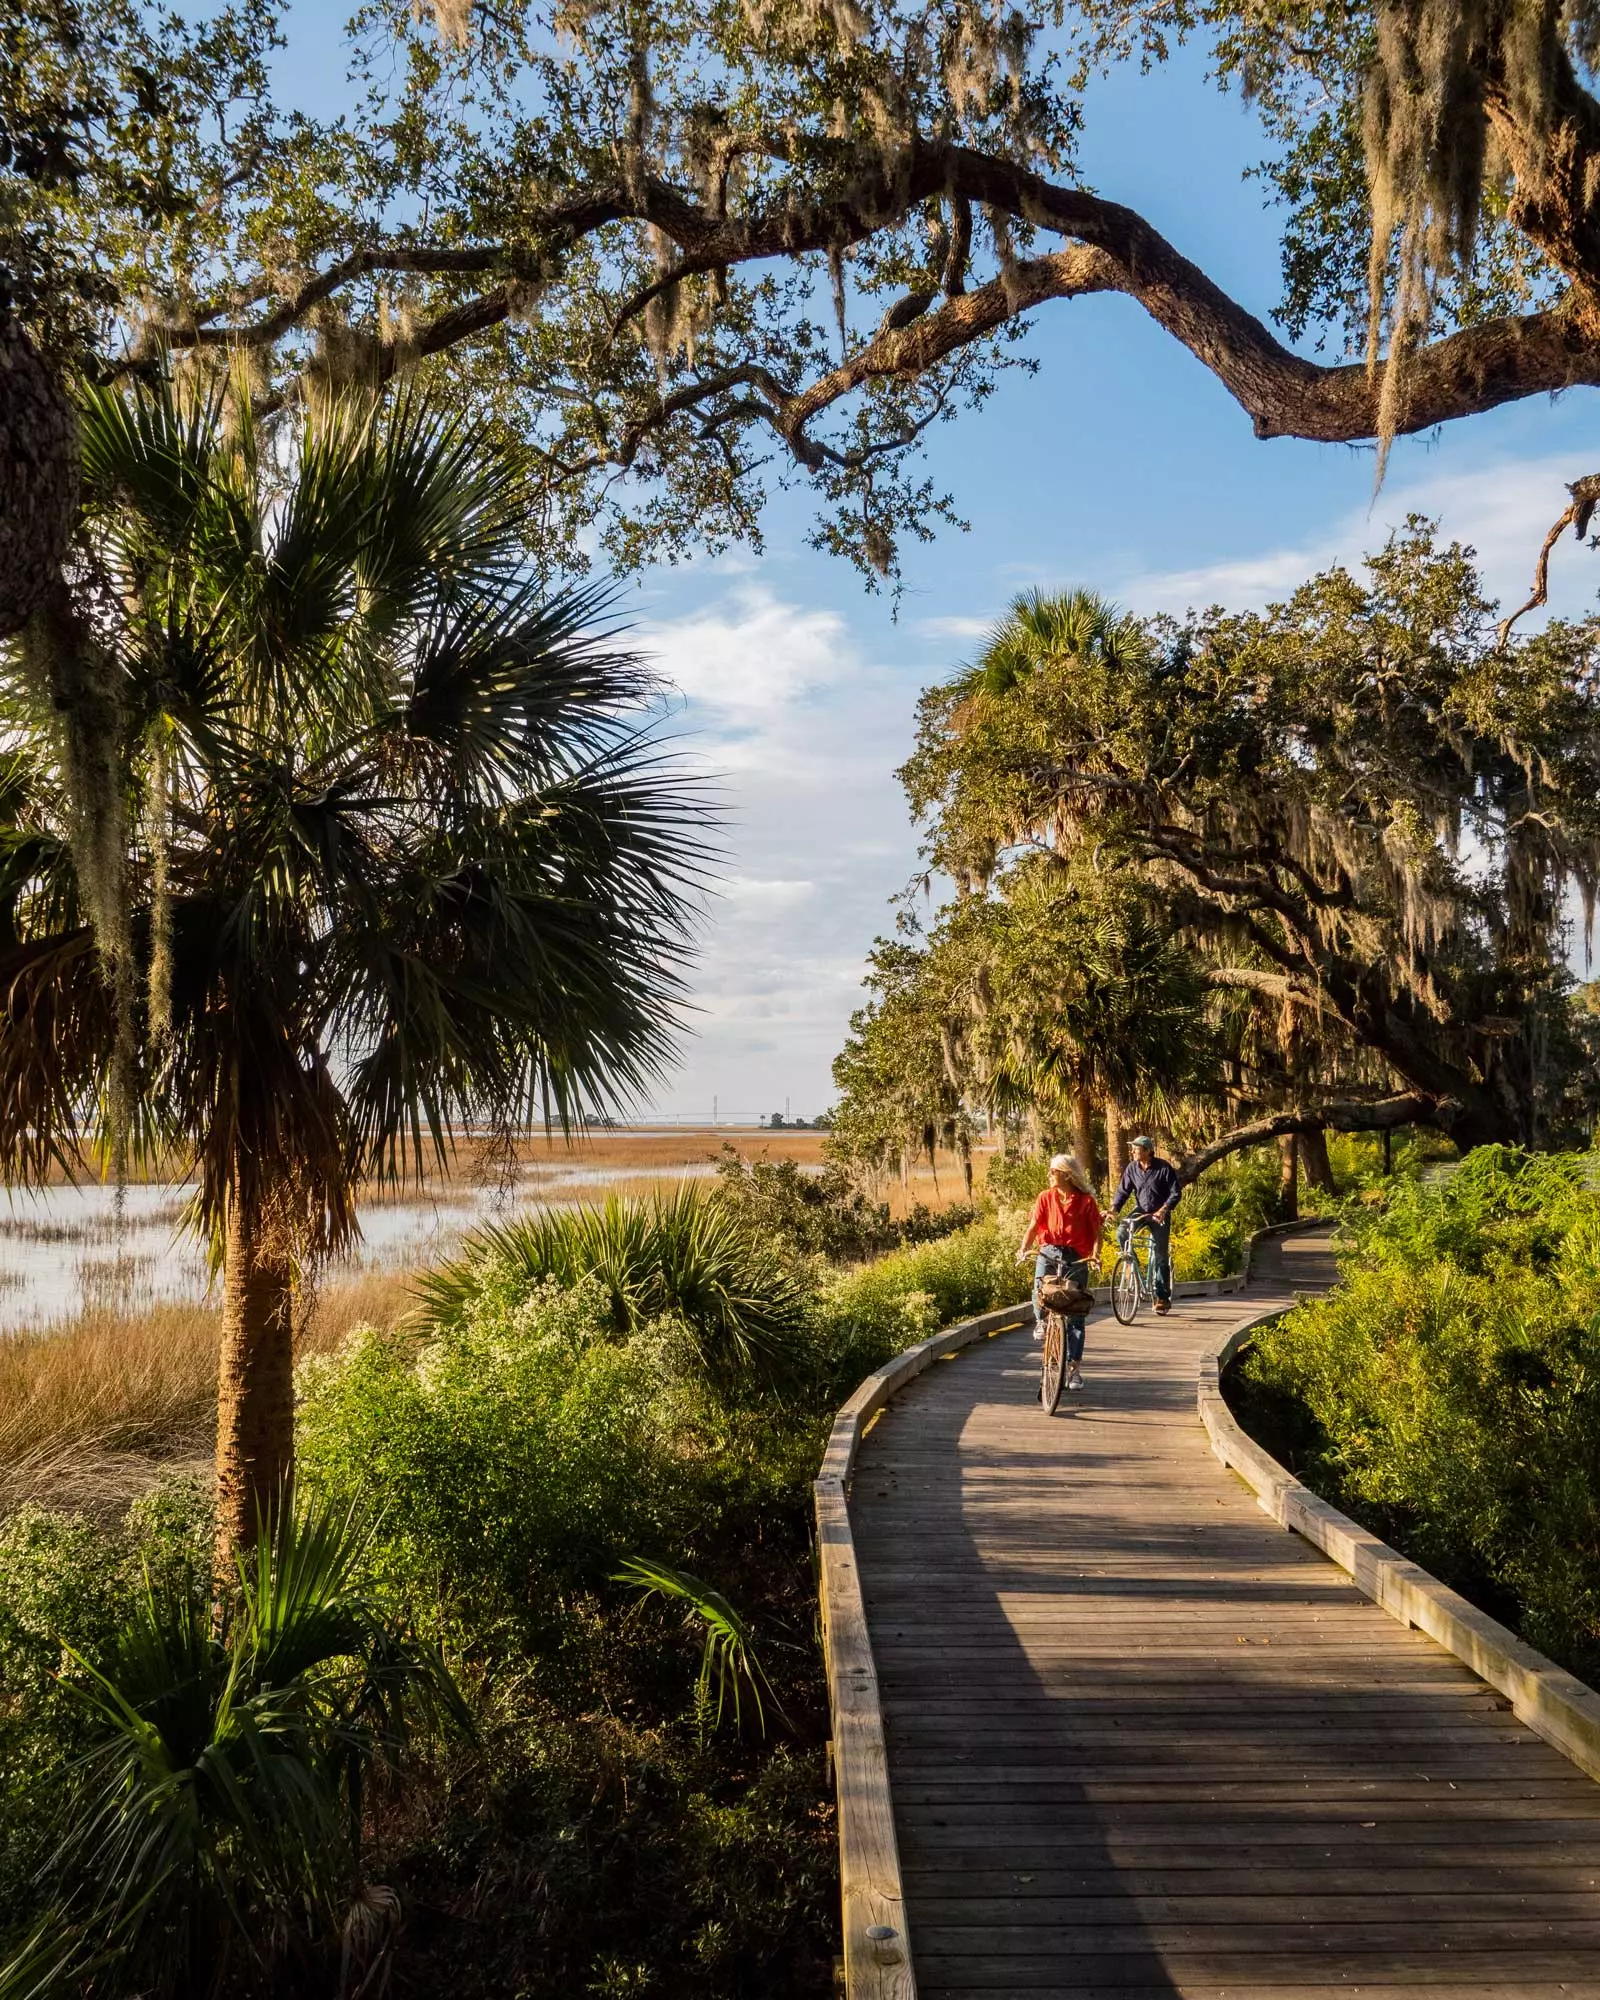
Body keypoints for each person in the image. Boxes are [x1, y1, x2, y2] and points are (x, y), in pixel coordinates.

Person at [1016, 1152, 1103, 1391]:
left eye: (1053, 1171)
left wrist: (1095, 1256)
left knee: (1076, 1314)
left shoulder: (1086, 1201)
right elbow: (1033, 1227)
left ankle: (1073, 1369)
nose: (1049, 1175)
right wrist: (1023, 1249)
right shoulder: (1045, 1197)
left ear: (1066, 1174)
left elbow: (1096, 1234)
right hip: (1049, 1251)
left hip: (1076, 1257)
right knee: (1039, 1287)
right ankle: (1041, 1322)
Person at [1111, 1134, 1181, 1315]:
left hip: (1160, 1213)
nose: (1133, 1151)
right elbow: (1123, 1191)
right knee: (1121, 1233)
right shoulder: (1132, 1168)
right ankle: (1131, 1263)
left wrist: (1164, 1209)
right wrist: (1113, 1209)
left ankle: (1162, 1297)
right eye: (1133, 1147)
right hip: (1141, 1210)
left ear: (1148, 1151)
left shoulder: (1163, 1168)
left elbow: (1175, 1193)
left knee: (1160, 1255)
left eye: (1136, 1148)